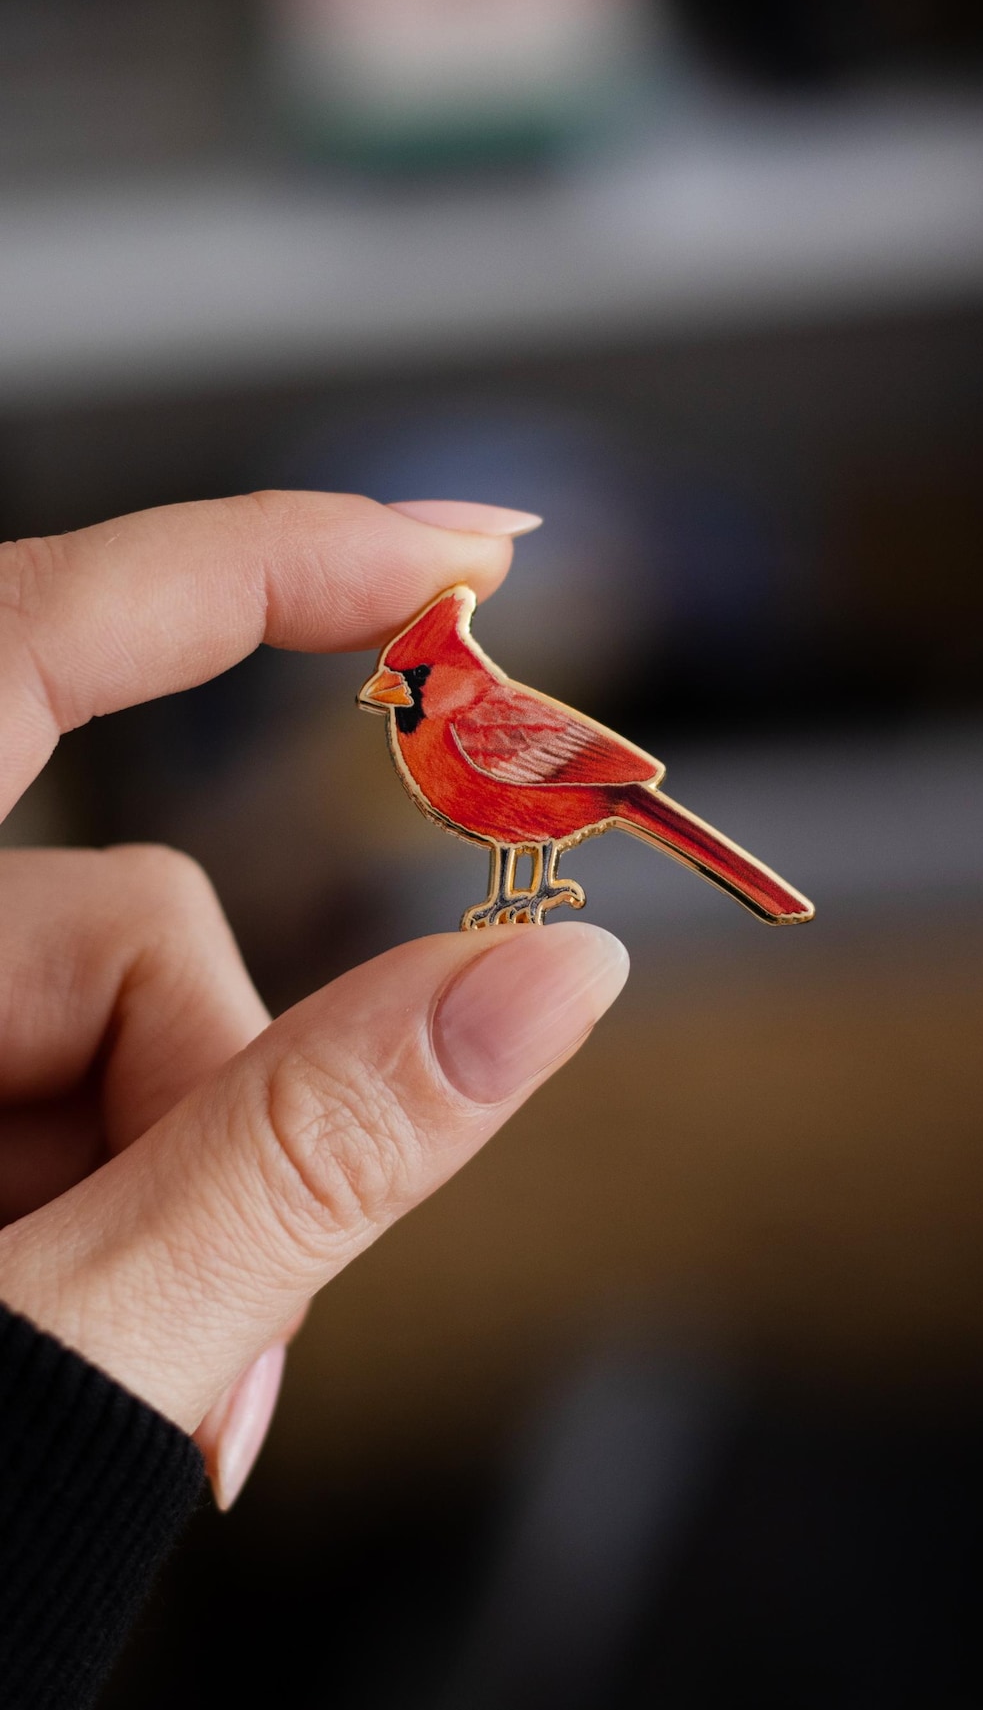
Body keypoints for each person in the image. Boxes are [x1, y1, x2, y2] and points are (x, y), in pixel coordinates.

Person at [0, 491, 629, 1708]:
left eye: (411, 682)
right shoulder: (427, 733)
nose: (391, 694)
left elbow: (578, 775)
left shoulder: (484, 722)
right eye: (399, 682)